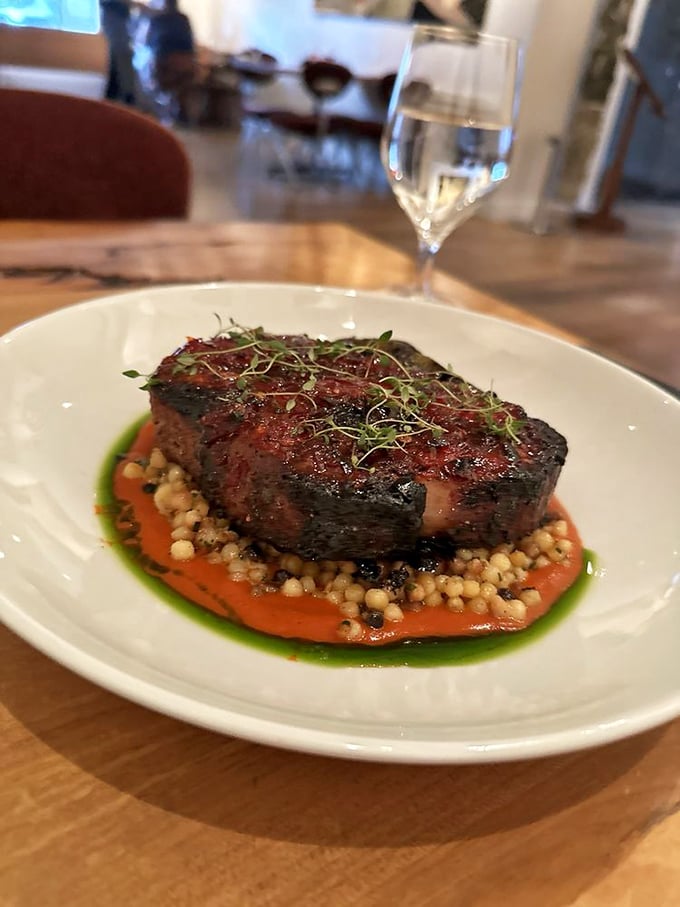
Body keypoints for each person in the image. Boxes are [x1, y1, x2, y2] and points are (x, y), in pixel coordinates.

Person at [100, 0, 136, 105]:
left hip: (117, 16)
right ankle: (126, 95)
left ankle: (113, 94)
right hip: (114, 15)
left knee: (117, 57)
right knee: (121, 53)